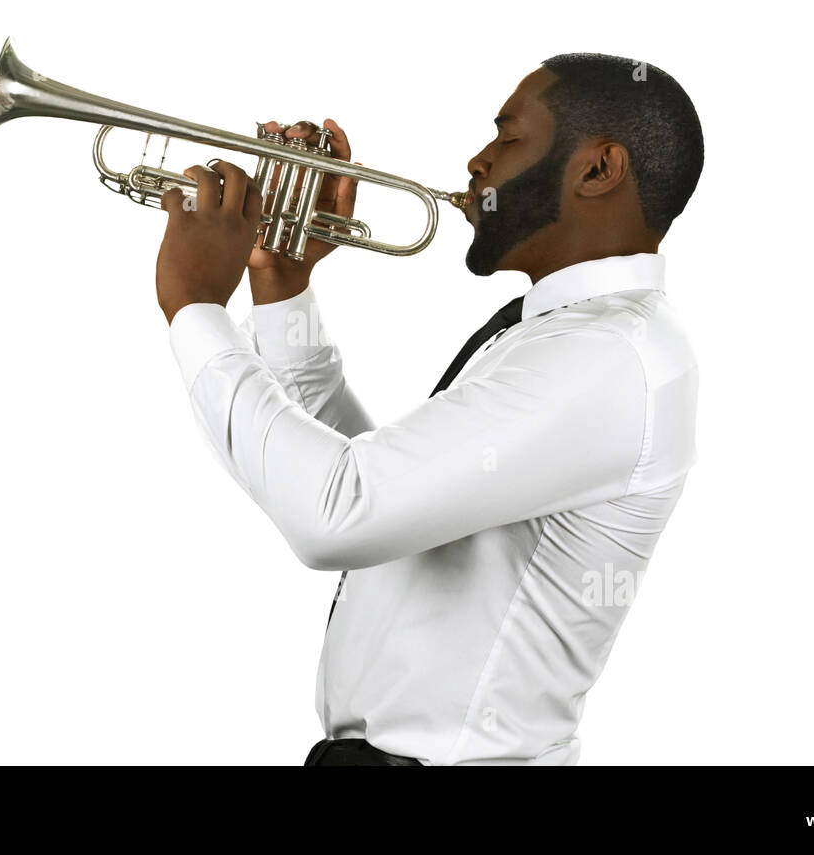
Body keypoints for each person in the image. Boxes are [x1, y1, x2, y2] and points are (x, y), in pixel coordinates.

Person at [154, 53, 704, 765]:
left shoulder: (609, 354)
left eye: (507, 139)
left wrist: (194, 307)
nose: (476, 162)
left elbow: (336, 515)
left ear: (597, 170)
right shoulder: (562, 336)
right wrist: (280, 286)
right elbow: (387, 504)